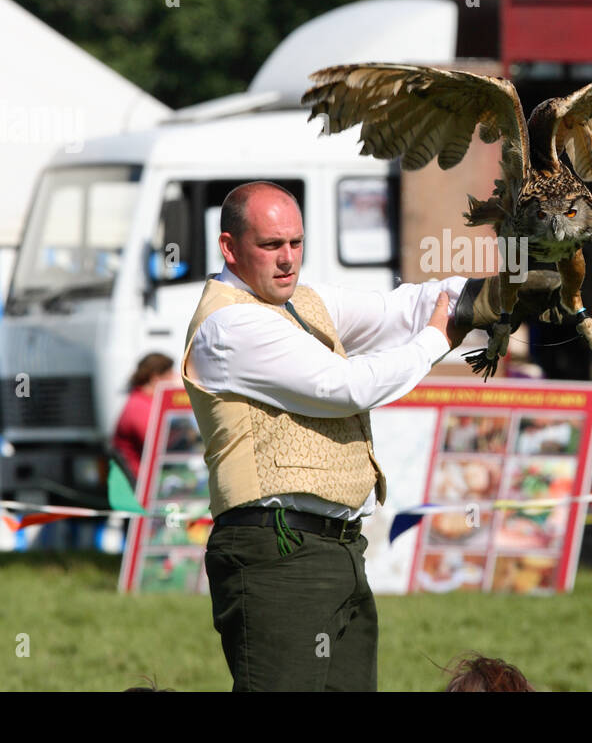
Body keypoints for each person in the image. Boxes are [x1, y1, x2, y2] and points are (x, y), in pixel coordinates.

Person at [183, 181, 561, 691]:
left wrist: (497, 289)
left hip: (340, 547)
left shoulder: (305, 302)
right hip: (277, 550)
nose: (288, 259)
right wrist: (435, 341)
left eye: (296, 242)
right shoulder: (230, 326)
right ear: (229, 248)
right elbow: (345, 387)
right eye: (271, 245)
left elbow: (399, 309)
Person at [111, 353, 176, 483]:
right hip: (139, 483)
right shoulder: (138, 407)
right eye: (170, 374)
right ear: (156, 378)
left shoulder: (147, 402)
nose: (175, 379)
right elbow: (160, 444)